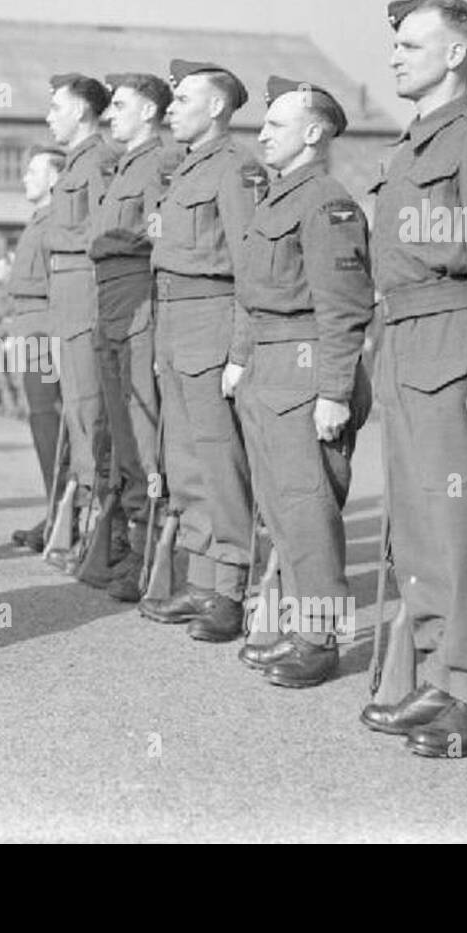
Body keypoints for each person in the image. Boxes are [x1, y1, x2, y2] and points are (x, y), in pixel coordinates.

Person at [360, 0, 467, 754]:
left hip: (458, 342)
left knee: (462, 526)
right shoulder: (410, 146)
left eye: (411, 43)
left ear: (457, 54)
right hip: (405, 342)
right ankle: (436, 672)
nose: (396, 54)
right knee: (419, 524)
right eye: (395, 44)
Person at [226, 76, 374, 686]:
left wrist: (335, 392)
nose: (261, 132)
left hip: (309, 368)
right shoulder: (279, 200)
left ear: (313, 134)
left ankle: (321, 637)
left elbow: (344, 309)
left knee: (310, 512)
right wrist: (240, 358)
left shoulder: (327, 202)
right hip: (270, 364)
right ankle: (297, 623)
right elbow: (252, 293)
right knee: (283, 509)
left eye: (276, 125)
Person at [137, 60, 263, 643]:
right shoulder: (185, 170)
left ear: (216, 107)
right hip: (174, 319)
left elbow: (249, 266)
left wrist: (240, 349)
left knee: (219, 461)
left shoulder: (236, 170)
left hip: (212, 318)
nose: (171, 109)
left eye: (183, 99)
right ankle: (200, 577)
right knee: (185, 460)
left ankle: (230, 588)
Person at [89, 72, 179, 600]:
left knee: (143, 432)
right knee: (119, 429)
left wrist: (118, 242)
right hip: (110, 298)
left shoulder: (161, 162)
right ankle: (124, 541)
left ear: (149, 112)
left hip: (137, 295)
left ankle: (148, 551)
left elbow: (159, 229)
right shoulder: (122, 164)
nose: (111, 114)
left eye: (120, 105)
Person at [43, 73, 121, 573]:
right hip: (66, 297)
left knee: (93, 416)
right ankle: (88, 533)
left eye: (56, 107)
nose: (49, 116)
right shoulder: (78, 161)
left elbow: (104, 233)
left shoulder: (100, 161)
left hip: (86, 295)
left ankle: (104, 536)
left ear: (81, 112)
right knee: (77, 413)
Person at [7, 143, 68, 552]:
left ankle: (65, 516)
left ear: (55, 178)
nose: (26, 177)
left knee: (53, 426)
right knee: (42, 425)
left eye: (34, 171)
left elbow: (60, 290)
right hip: (31, 331)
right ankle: (56, 511)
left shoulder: (55, 223)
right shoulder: (39, 220)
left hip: (47, 335)